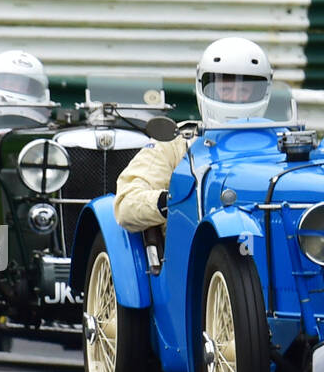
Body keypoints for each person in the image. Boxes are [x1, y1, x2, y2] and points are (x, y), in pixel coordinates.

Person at [113, 37, 274, 238]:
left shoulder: (282, 143)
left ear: (263, 90)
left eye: (244, 91)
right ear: (203, 85)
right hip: (190, 248)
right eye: (225, 89)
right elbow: (126, 203)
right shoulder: (175, 141)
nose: (234, 98)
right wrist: (174, 200)